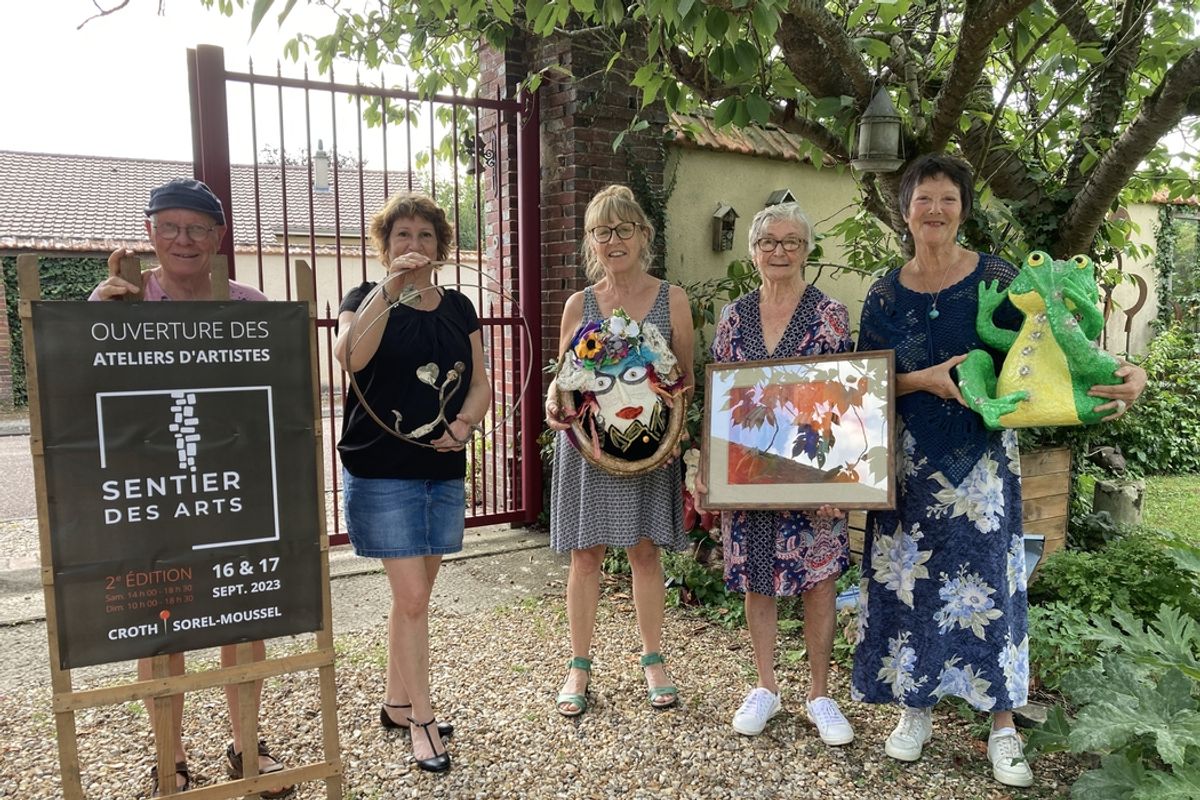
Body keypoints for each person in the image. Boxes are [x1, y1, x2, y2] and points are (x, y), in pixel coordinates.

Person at [849, 153, 1147, 787]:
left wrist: (1125, 376)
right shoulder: (882, 292)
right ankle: (915, 706)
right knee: (908, 581)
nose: (935, 210)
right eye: (923, 198)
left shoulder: (997, 277)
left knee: (993, 585)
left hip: (983, 462)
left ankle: (1004, 726)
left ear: (963, 209)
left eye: (948, 199)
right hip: (908, 461)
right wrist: (924, 380)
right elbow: (863, 384)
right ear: (904, 209)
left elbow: (1057, 344)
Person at [91, 178, 294, 797]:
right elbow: (80, 401)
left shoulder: (250, 306)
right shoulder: (119, 304)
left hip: (232, 492)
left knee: (243, 614)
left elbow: (281, 400)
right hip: (149, 495)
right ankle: (169, 758)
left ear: (217, 237)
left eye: (197, 228)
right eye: (170, 226)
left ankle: (245, 745)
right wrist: (90, 327)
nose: (183, 240)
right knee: (160, 622)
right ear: (149, 231)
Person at [333, 191, 490, 773]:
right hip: (382, 467)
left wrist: (467, 423)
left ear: (440, 248)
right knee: (416, 598)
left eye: (425, 236)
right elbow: (349, 357)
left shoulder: (459, 308)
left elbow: (480, 380)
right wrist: (389, 293)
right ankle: (423, 721)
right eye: (402, 236)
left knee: (413, 596)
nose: (414, 245)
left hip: (441, 466)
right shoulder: (365, 299)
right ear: (386, 245)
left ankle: (397, 703)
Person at [696, 203, 857, 745]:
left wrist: (843, 481)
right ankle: (765, 686)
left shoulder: (831, 315)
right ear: (753, 252)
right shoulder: (734, 316)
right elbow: (718, 396)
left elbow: (845, 397)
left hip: (813, 468)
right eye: (769, 242)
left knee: (819, 582)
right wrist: (708, 470)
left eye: (792, 242)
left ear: (807, 251)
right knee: (755, 578)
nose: (780, 252)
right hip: (750, 471)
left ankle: (819, 693)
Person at [544, 185, 694, 716]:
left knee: (645, 552)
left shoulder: (671, 299)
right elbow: (564, 381)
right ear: (591, 241)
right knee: (585, 557)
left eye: (623, 228)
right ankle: (578, 667)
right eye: (601, 231)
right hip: (589, 452)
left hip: (647, 451)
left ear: (643, 235)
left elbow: (685, 384)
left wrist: (669, 438)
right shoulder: (578, 305)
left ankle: (653, 659)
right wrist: (554, 407)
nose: (613, 240)